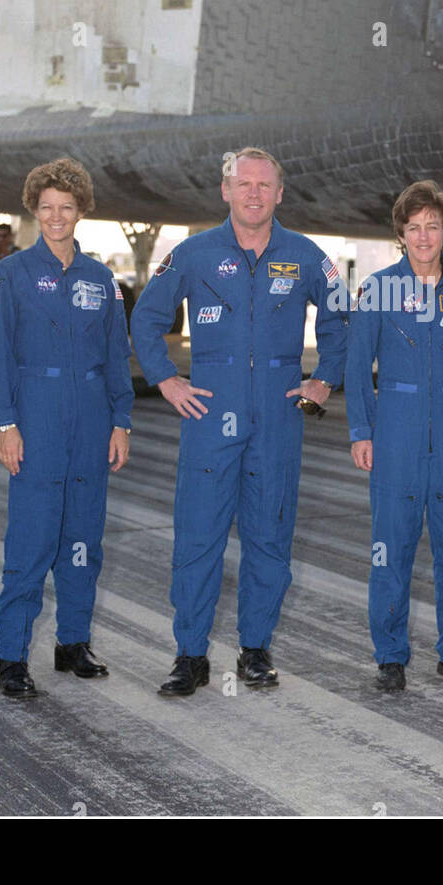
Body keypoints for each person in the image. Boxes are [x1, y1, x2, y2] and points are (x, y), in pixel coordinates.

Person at [131, 148, 349, 697]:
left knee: (269, 536)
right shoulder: (192, 253)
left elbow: (342, 315)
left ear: (280, 193)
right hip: (209, 408)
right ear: (225, 191)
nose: (253, 193)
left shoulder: (305, 256)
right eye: (243, 183)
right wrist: (165, 378)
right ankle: (190, 654)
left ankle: (256, 650)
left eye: (264, 185)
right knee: (199, 537)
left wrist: (324, 377)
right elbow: (145, 318)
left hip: (278, 412)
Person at [346, 181, 443, 691]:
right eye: (413, 227)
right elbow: (355, 367)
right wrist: (360, 430)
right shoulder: (377, 288)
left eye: (432, 226)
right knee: (390, 548)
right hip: (395, 430)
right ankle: (390, 654)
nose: (423, 236)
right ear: (400, 233)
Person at [0, 158, 133, 698]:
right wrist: (7, 424)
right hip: (37, 416)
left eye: (66, 207)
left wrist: (121, 422)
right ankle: (11, 658)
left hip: (92, 418)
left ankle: (72, 644)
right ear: (34, 210)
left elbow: (117, 356)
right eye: (46, 207)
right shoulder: (11, 275)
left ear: (81, 211)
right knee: (31, 539)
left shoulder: (101, 279)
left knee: (83, 541)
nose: (55, 216)